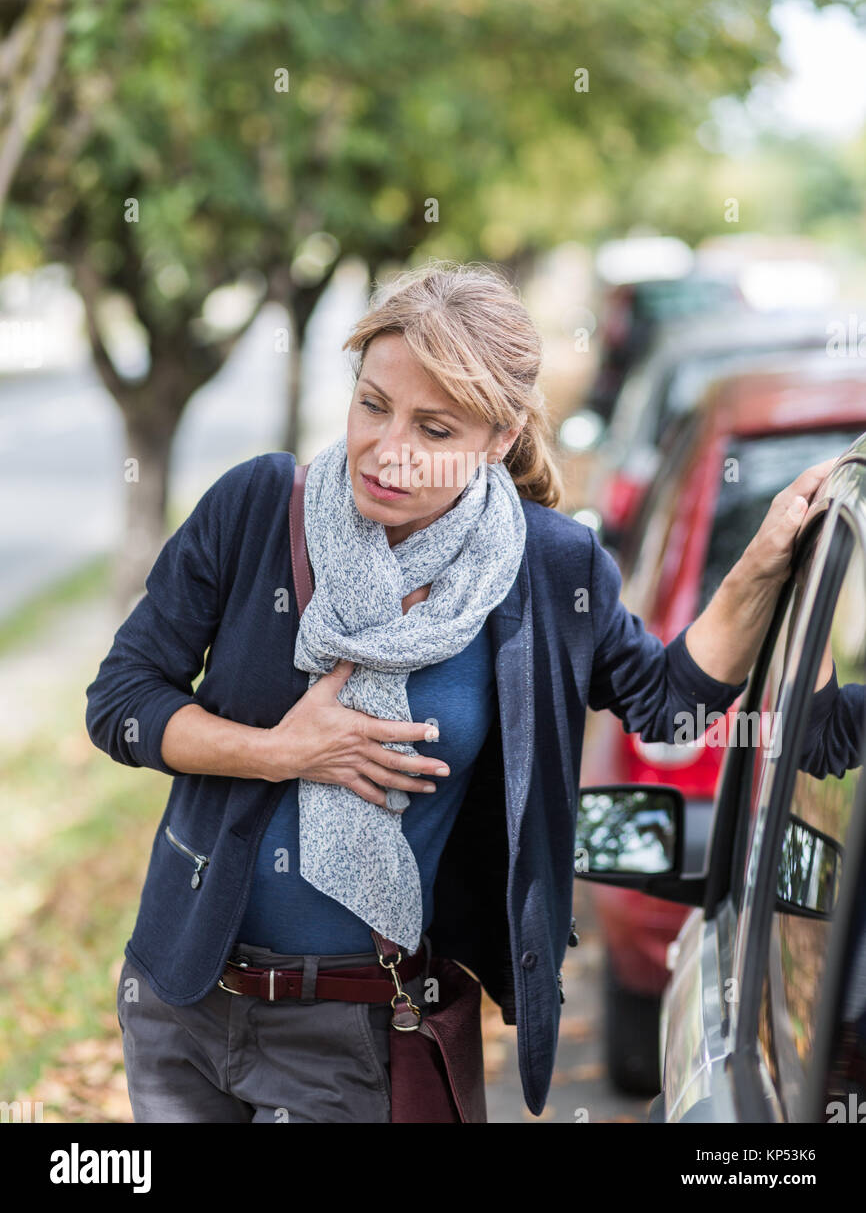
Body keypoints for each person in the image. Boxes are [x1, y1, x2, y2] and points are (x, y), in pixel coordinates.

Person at [85, 260, 837, 1122]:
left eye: (435, 430)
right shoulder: (258, 507)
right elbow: (121, 700)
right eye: (373, 405)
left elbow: (669, 704)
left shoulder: (550, 570)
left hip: (357, 1028)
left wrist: (758, 569)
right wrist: (278, 752)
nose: (386, 449)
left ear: (500, 434)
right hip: (182, 998)